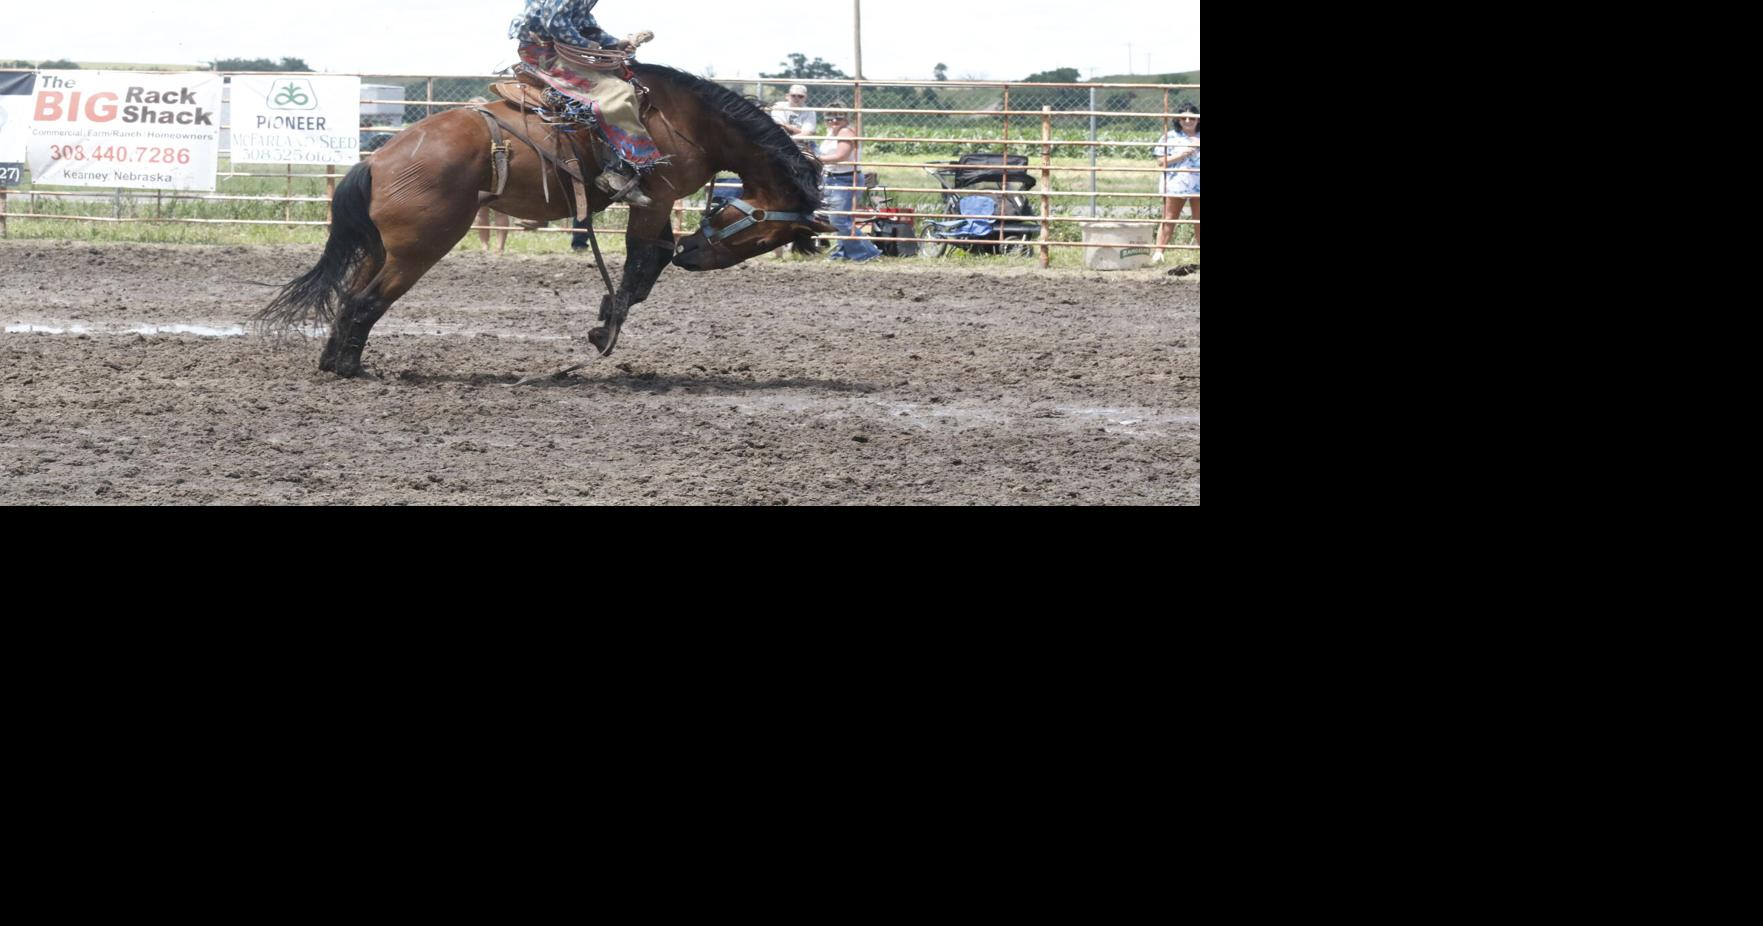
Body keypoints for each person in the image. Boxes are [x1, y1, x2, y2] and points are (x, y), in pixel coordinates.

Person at [509, 0, 660, 207]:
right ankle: (615, 171)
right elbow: (556, 22)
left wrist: (614, 43)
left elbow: (585, 25)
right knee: (618, 92)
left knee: (624, 83)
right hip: (544, 52)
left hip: (554, 48)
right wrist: (587, 45)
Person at [817, 110, 881, 262]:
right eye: (829, 117)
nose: (833, 120)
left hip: (845, 178)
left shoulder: (846, 132)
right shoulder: (832, 132)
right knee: (841, 219)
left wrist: (816, 159)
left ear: (846, 118)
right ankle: (842, 253)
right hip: (833, 178)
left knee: (838, 219)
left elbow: (841, 156)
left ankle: (867, 252)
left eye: (839, 117)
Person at [1153, 103, 1200, 261]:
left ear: (1198, 119)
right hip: (1175, 184)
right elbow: (1161, 161)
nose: (1188, 120)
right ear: (1178, 120)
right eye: (1183, 117)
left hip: (1199, 185)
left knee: (1199, 220)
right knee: (1169, 218)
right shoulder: (1169, 137)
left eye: (1192, 117)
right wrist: (1180, 155)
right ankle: (1159, 253)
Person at [771, 84, 818, 152]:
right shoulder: (778, 106)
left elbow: (806, 134)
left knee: (816, 159)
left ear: (805, 98)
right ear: (787, 96)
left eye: (800, 96)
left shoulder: (810, 111)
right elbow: (781, 127)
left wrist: (789, 131)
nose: (796, 98)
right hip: (780, 141)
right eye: (793, 95)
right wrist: (802, 131)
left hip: (804, 144)